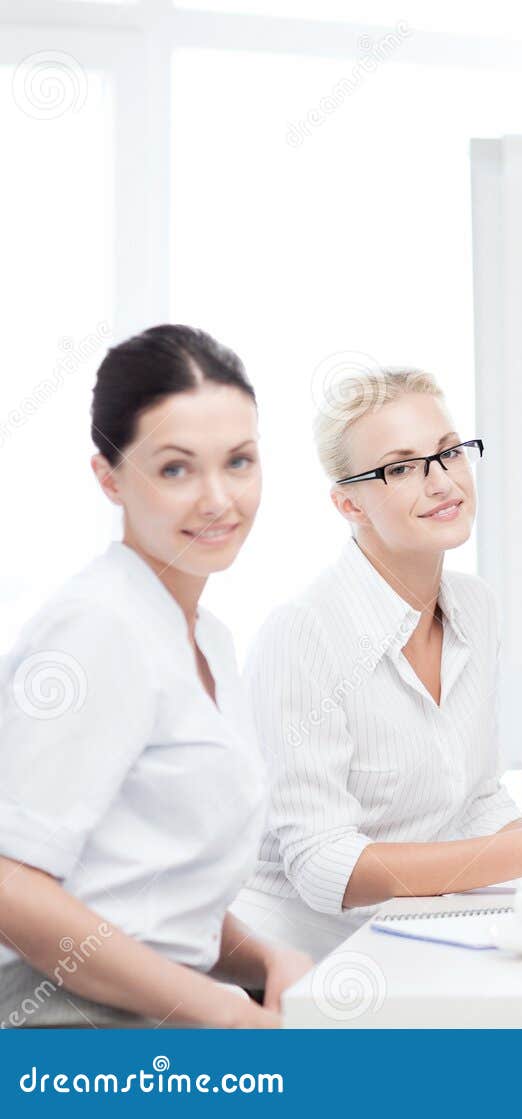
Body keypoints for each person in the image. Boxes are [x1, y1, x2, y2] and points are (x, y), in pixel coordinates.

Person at [234, 368, 522, 959]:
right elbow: (325, 870)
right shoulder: (303, 633)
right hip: (296, 971)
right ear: (349, 503)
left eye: (449, 453)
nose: (442, 481)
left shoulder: (475, 606)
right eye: (400, 468)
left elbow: (475, 804)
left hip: (415, 940)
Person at [0, 325, 311, 1027]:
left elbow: (152, 890)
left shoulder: (206, 638)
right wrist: (221, 1011)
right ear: (108, 477)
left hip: (160, 1016)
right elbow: (11, 885)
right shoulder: (98, 628)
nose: (218, 499)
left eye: (239, 461)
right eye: (175, 469)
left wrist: (264, 959)